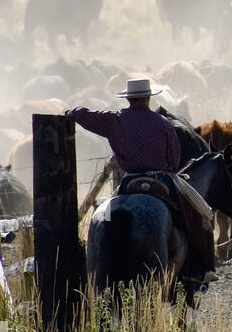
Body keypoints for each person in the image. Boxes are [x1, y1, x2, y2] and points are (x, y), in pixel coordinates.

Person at [66, 78, 219, 291]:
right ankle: (199, 272)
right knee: (201, 213)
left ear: (128, 98)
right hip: (162, 179)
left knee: (105, 213)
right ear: (148, 98)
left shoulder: (115, 120)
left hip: (129, 182)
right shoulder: (163, 124)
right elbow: (174, 161)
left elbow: (83, 115)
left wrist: (70, 112)